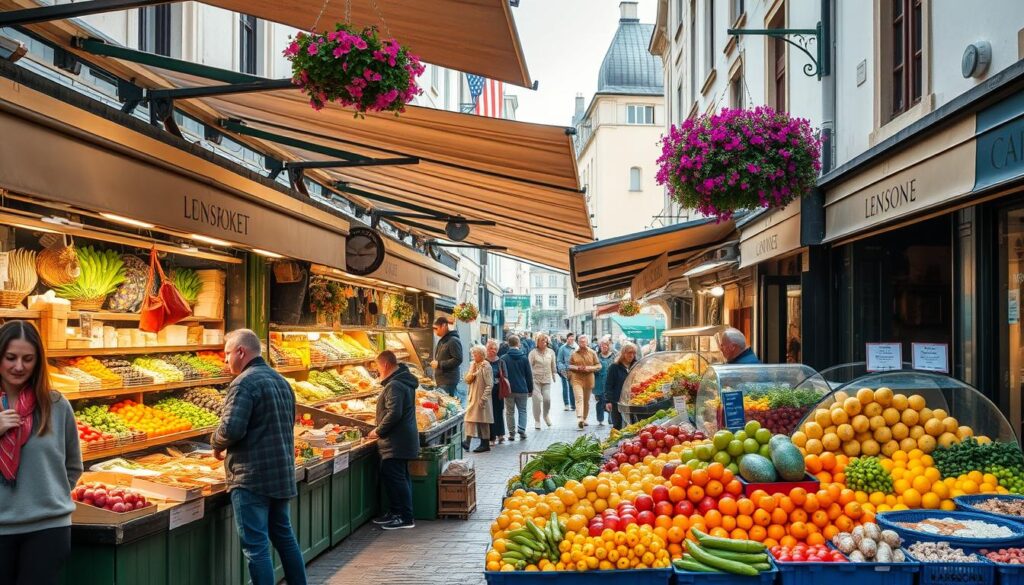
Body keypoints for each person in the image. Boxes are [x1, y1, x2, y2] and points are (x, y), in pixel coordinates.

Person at [212, 329, 306, 585]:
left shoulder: (244, 383)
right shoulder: (280, 381)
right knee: (285, 539)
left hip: (251, 477)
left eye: (228, 353)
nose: (226, 360)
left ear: (241, 352)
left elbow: (232, 428)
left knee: (256, 548)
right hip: (280, 473)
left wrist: (216, 442)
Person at [0, 320, 81, 585]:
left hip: (48, 530)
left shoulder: (56, 405)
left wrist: (48, 498)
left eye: (28, 359)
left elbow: (73, 465)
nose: (19, 366)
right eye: (10, 357)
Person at [368, 350, 419, 530]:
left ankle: (405, 518)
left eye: (377, 367)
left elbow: (394, 413)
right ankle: (396, 512)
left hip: (396, 441)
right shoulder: (402, 381)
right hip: (403, 439)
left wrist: (379, 431)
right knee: (400, 477)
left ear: (386, 365)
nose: (377, 371)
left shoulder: (394, 385)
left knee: (396, 477)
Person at [500, 335, 533, 441]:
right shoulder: (524, 358)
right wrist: (530, 389)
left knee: (509, 412)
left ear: (508, 344)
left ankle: (511, 433)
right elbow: (529, 375)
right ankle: (522, 429)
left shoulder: (503, 358)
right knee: (522, 410)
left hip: (508, 389)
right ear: (518, 344)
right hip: (522, 389)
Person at [463, 345, 493, 453]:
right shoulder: (473, 365)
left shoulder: (486, 366)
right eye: (472, 354)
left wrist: (484, 398)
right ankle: (468, 442)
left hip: (481, 398)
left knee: (482, 422)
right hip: (473, 397)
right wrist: (472, 370)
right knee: (469, 418)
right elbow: (467, 380)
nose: (473, 356)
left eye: (475, 354)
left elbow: (489, 384)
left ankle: (484, 444)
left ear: (481, 355)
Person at [568, 334, 602, 429]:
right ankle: (580, 418)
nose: (582, 343)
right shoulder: (573, 353)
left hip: (588, 379)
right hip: (576, 378)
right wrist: (577, 368)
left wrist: (589, 368)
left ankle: (584, 418)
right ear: (578, 342)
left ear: (587, 342)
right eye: (581, 341)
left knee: (586, 400)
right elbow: (569, 365)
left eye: (584, 341)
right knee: (579, 398)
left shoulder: (592, 353)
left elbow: (599, 365)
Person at [605, 342, 638, 430]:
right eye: (629, 353)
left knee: (632, 426)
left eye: (634, 353)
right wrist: (608, 401)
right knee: (618, 425)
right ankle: (616, 443)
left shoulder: (636, 366)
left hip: (632, 401)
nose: (632, 355)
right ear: (623, 353)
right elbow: (608, 385)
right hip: (617, 401)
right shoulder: (614, 367)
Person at [431, 317, 464, 406]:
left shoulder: (453, 340)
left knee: (448, 405)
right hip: (441, 380)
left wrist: (439, 364)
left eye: (436, 328)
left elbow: (458, 359)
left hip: (448, 381)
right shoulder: (442, 340)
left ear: (444, 326)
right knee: (443, 405)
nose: (435, 331)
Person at [528, 333, 557, 430]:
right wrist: (530, 379)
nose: (544, 342)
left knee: (547, 399)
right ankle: (537, 420)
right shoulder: (533, 353)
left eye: (545, 340)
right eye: (542, 341)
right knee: (537, 400)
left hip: (546, 379)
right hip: (535, 379)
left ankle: (546, 415)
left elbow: (553, 364)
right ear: (537, 342)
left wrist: (554, 374)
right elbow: (529, 366)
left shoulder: (551, 352)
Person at [485, 339, 506, 444]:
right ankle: (491, 437)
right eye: (490, 348)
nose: (492, 350)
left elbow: (505, 376)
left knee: (498, 412)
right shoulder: (483, 362)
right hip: (487, 391)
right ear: (486, 349)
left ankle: (501, 434)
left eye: (495, 349)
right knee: (490, 413)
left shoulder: (501, 362)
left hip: (498, 390)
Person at [593, 339, 616, 426]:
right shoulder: (596, 357)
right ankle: (600, 419)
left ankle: (611, 418)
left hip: (611, 382)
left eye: (605, 345)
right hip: (599, 382)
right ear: (600, 347)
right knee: (601, 401)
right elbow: (593, 368)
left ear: (608, 346)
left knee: (610, 399)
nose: (604, 347)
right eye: (602, 345)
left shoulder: (614, 356)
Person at [556, 333, 577, 411]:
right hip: (564, 370)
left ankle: (573, 405)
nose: (571, 340)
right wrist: (563, 369)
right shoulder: (562, 348)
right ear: (567, 339)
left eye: (573, 338)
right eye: (570, 338)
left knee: (572, 388)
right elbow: (559, 360)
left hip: (574, 371)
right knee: (565, 387)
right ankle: (566, 404)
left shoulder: (577, 347)